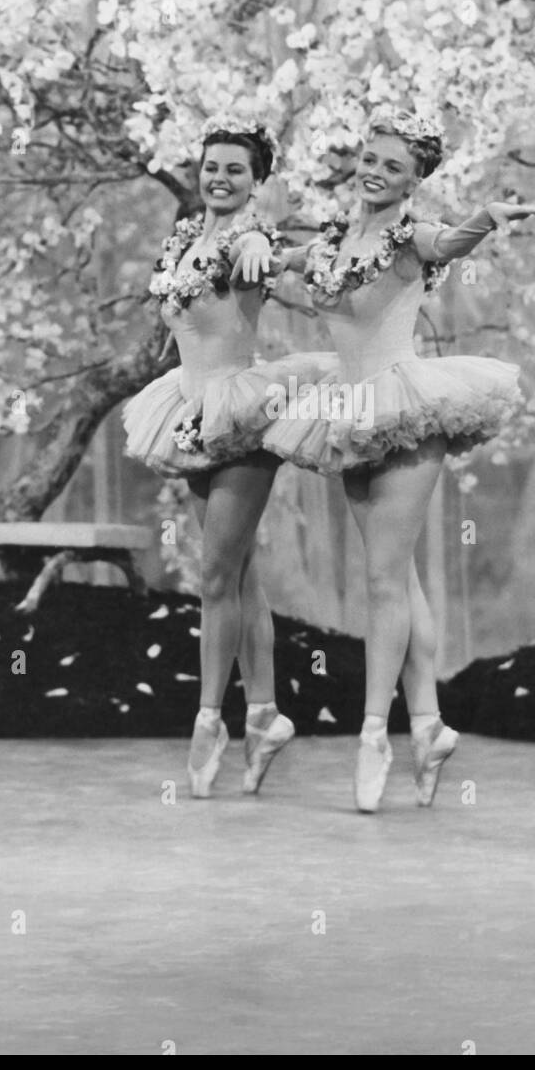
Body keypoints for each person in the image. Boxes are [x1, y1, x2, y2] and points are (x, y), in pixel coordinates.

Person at [248, 107, 535, 812]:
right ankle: (430, 722)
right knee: (398, 579)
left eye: (393, 166)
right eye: (371, 159)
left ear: (415, 179)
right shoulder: (334, 238)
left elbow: (448, 242)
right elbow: (283, 259)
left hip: (405, 410)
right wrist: (253, 247)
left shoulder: (411, 234)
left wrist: (488, 215)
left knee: (381, 581)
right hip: (346, 414)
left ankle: (373, 735)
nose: (376, 173)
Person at [123, 121, 327, 799]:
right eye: (212, 166)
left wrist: (258, 244)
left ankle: (210, 718)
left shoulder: (248, 239)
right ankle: (265, 714)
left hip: (240, 411)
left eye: (235, 170)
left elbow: (266, 256)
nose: (219, 178)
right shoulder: (186, 239)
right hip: (188, 411)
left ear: (255, 181)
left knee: (214, 574)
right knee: (238, 576)